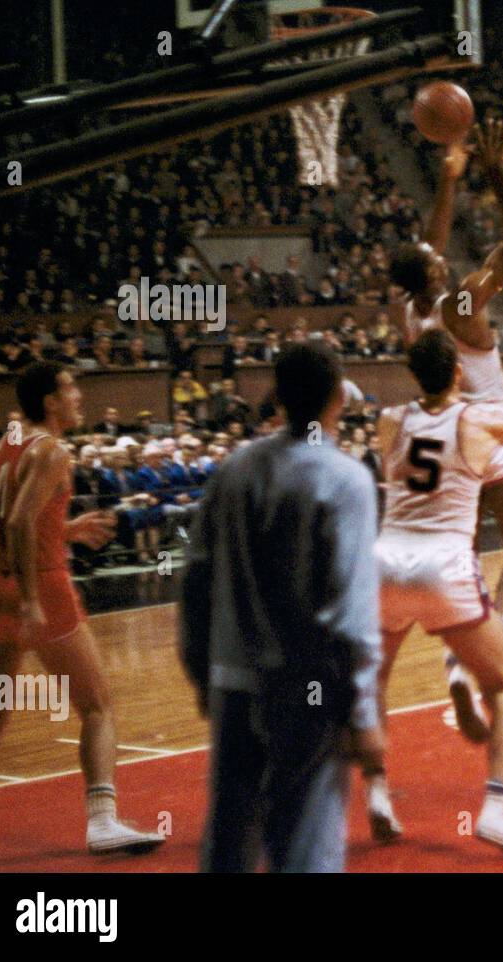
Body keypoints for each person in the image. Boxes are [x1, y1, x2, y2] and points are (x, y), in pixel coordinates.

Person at [369, 328, 503, 855]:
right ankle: (496, 807)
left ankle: (376, 794)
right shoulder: (480, 417)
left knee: (373, 688)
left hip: (387, 562)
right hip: (445, 566)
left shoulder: (390, 420)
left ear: (414, 374)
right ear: (458, 371)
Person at [179, 343, 385, 872]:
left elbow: (197, 580)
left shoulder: (234, 469)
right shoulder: (345, 479)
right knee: (306, 844)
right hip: (306, 689)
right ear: (338, 398)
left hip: (233, 683)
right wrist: (363, 713)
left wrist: (203, 674)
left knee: (227, 843)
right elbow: (353, 615)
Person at [0, 362, 165, 855]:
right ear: (51, 401)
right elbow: (16, 521)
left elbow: (3, 513)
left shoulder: (9, 443)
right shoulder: (54, 450)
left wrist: (68, 529)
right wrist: (33, 600)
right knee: (98, 705)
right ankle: (102, 820)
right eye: (71, 388)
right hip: (42, 590)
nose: (78, 395)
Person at [391, 121, 503, 744]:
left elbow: (427, 247)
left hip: (443, 440)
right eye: (437, 259)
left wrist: (448, 182)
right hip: (494, 434)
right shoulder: (463, 304)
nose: (441, 253)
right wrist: (501, 179)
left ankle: (457, 658)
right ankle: (484, 653)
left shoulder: (411, 309)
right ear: (436, 272)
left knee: (466, 556)